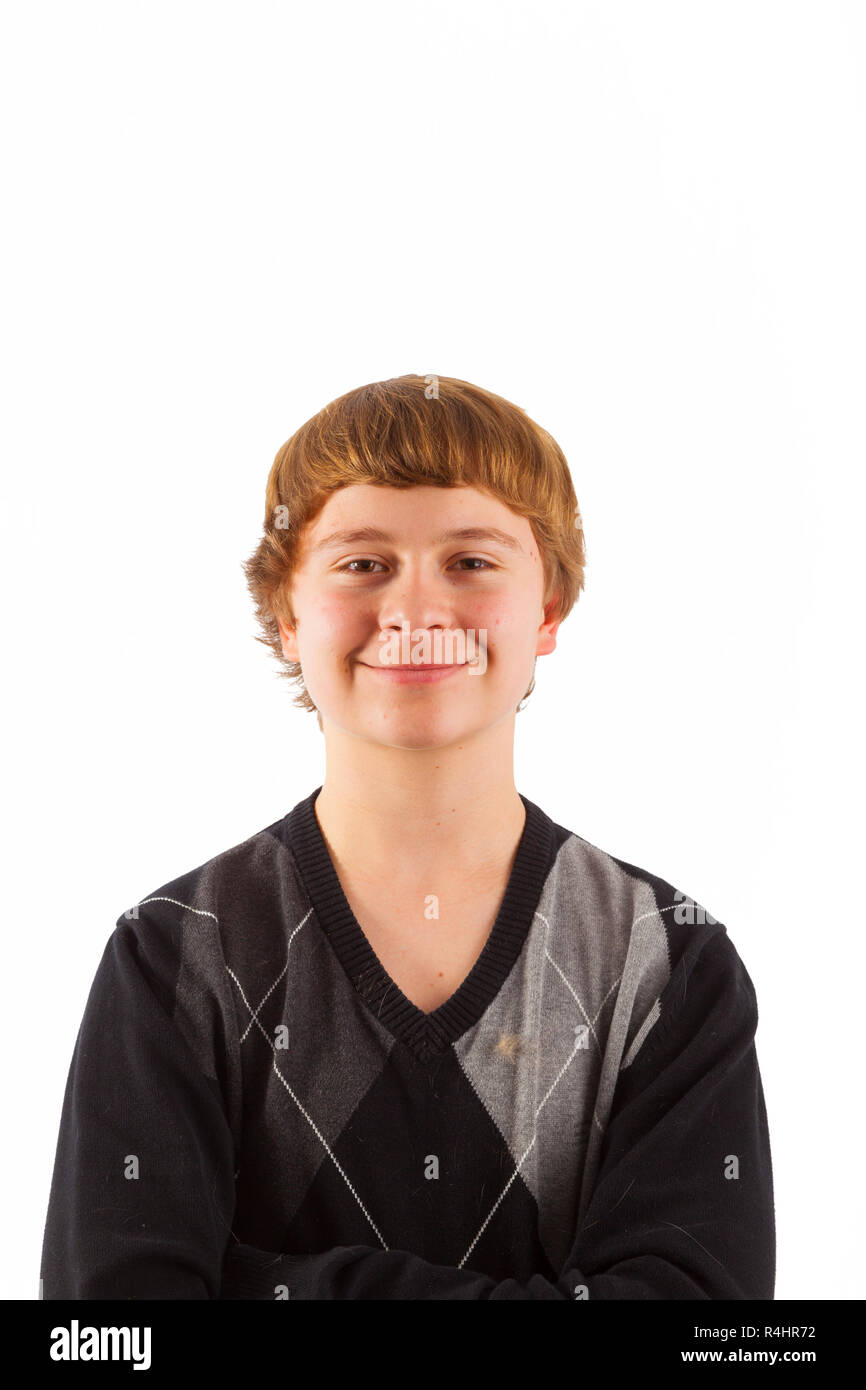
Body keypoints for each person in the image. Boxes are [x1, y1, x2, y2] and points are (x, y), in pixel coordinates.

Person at [40, 373, 775, 1299]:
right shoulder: (177, 952)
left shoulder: (668, 957)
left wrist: (269, 1285)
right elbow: (111, 1340)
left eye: (471, 561)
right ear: (285, 615)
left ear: (547, 608)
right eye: (363, 563)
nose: (418, 614)